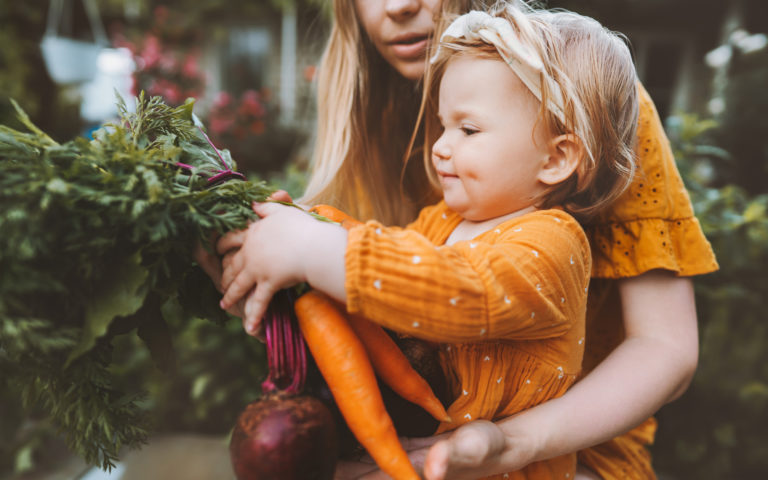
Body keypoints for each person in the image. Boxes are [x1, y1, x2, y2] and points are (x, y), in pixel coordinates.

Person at [197, 0, 719, 478]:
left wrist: (314, 251)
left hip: (531, 463)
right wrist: (284, 234)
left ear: (559, 158)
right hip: (436, 439)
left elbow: (460, 289)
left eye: (467, 131)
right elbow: (393, 250)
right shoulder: (449, 214)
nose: (440, 148)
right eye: (442, 127)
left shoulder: (552, 238)